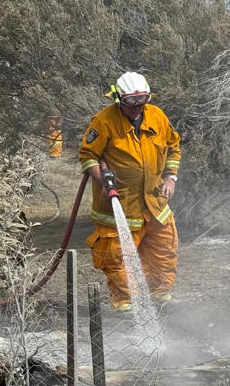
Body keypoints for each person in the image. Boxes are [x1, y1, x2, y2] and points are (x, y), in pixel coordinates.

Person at [79, 72, 181, 311]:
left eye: (141, 101)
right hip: (120, 206)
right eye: (130, 103)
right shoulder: (104, 121)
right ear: (118, 100)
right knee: (117, 257)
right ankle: (126, 302)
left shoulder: (157, 117)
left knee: (164, 249)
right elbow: (88, 155)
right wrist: (102, 181)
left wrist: (170, 177)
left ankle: (159, 294)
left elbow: (173, 146)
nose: (136, 108)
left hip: (155, 204)